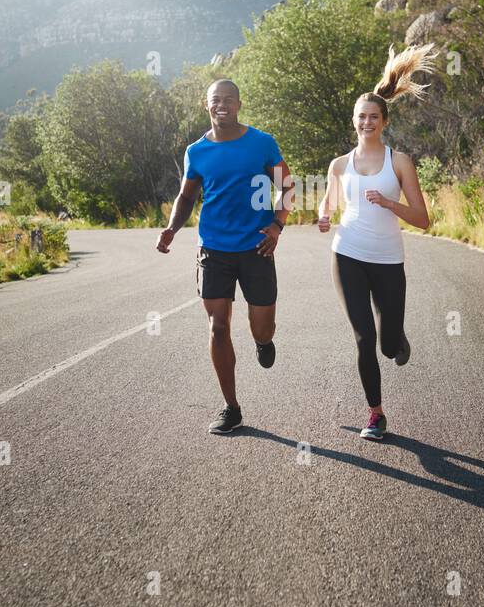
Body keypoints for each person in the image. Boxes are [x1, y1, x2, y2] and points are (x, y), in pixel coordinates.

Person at [156, 78, 291, 434]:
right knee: (218, 327)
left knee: (262, 326)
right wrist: (172, 228)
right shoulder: (196, 151)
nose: (222, 105)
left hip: (257, 247)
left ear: (239, 104)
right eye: (216, 100)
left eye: (229, 99)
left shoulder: (262, 143)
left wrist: (277, 225)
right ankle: (231, 407)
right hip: (213, 249)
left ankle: (263, 341)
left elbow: (287, 186)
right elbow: (187, 196)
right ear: (207, 105)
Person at [318, 45, 435, 441]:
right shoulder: (339, 164)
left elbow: (422, 219)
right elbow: (329, 202)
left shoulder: (399, 162)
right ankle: (376, 414)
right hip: (347, 255)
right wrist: (323, 216)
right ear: (354, 121)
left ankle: (396, 337)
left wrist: (389, 203)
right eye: (361, 117)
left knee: (386, 346)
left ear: (384, 121)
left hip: (388, 260)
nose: (366, 122)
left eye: (373, 117)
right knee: (363, 338)